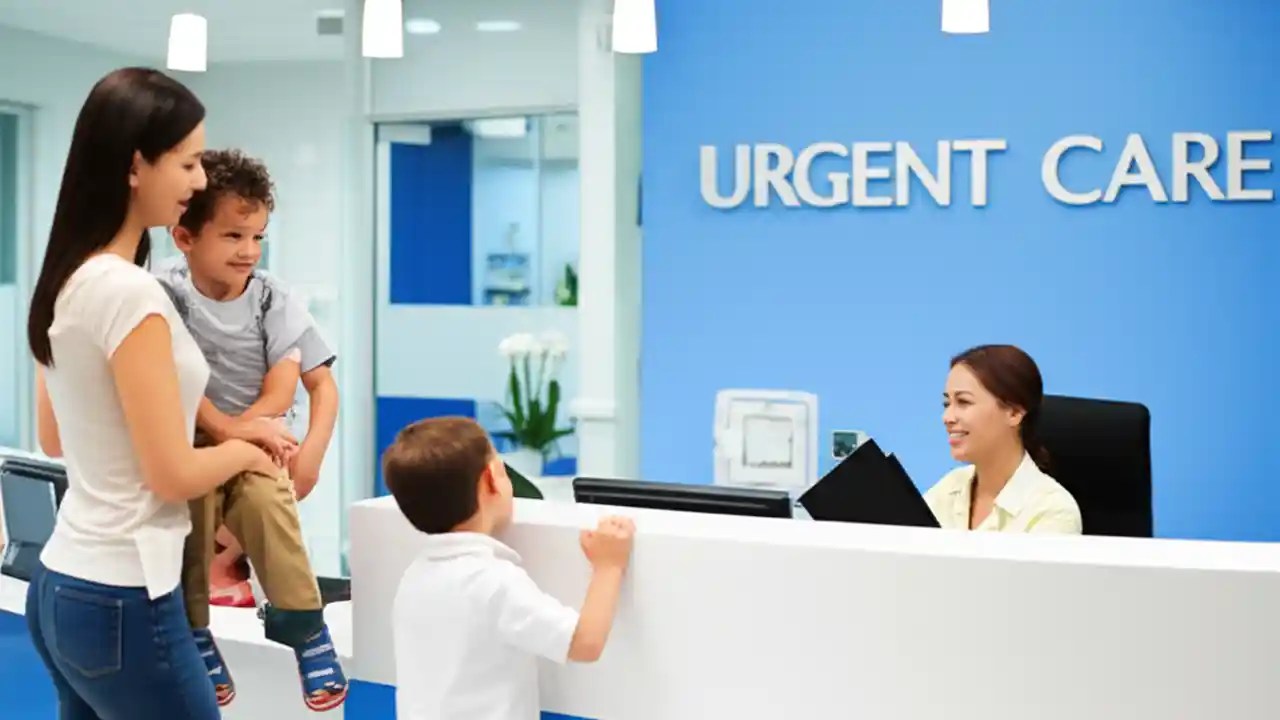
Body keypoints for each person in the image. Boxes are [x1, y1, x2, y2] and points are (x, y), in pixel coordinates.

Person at [23, 67, 280, 720]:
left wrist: (222, 432)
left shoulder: (71, 277)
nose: (198, 182)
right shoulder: (130, 293)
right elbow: (170, 474)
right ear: (137, 165)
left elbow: (56, 439)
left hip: (61, 585)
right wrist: (248, 453)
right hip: (125, 597)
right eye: (189, 162)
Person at [156, 148, 347, 711]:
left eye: (259, 237)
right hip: (194, 435)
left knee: (267, 503)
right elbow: (168, 386)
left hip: (261, 438)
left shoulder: (273, 298)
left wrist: (289, 445)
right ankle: (195, 631)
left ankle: (304, 626)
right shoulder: (163, 294)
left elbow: (286, 389)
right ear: (185, 237)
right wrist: (229, 431)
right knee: (187, 515)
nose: (249, 252)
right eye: (234, 236)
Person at [382, 417, 635, 720]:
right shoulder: (494, 581)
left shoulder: (415, 577)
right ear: (491, 479)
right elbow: (585, 643)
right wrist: (609, 566)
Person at [925, 344, 1082, 534]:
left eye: (964, 402)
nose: (947, 417)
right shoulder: (950, 488)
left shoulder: (1052, 511)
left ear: (1014, 412)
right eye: (946, 403)